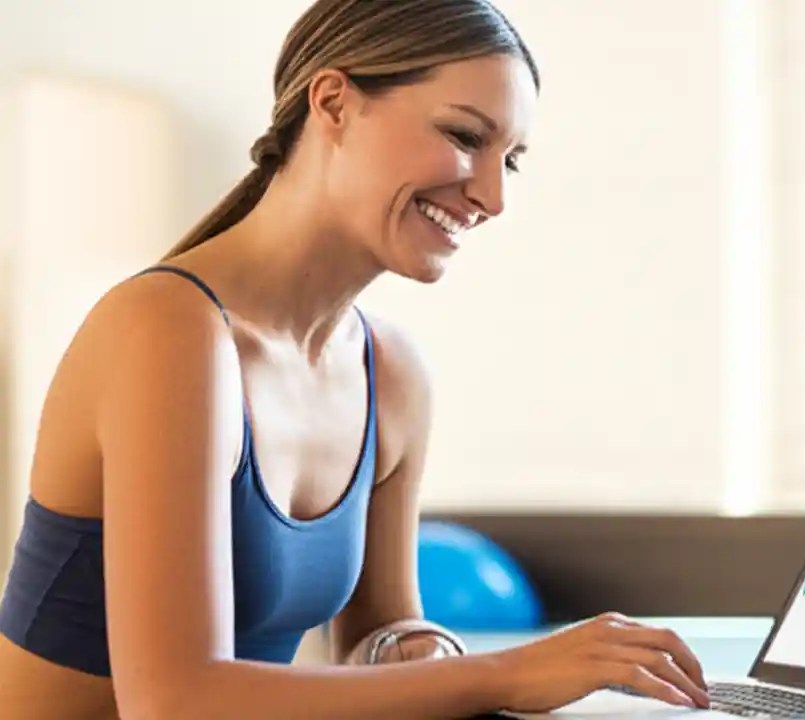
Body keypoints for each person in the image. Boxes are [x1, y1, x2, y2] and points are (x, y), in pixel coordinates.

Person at [0, 1, 711, 717]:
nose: (492, 197)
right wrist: (509, 672)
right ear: (334, 103)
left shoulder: (389, 371)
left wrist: (420, 648)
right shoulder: (167, 331)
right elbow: (176, 703)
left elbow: (378, 637)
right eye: (465, 136)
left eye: (511, 160)